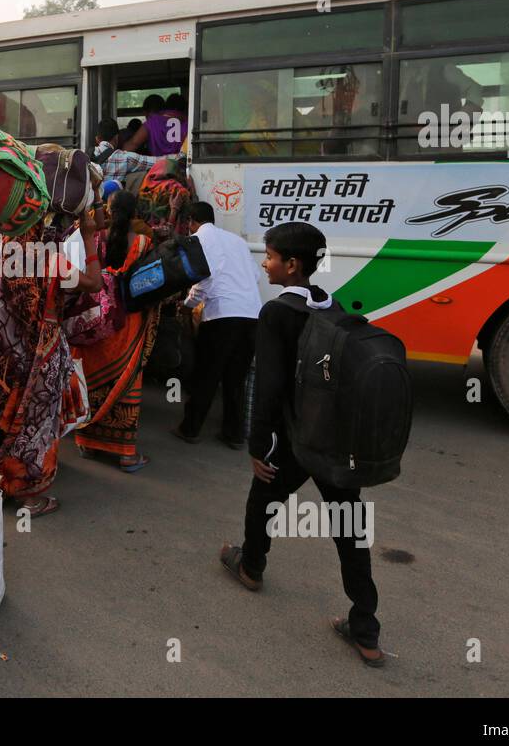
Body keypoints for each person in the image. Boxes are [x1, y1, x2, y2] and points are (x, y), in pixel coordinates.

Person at [219, 221, 383, 667]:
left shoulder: (276, 313)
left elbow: (269, 386)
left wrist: (258, 445)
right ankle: (365, 629)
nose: (265, 263)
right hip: (333, 440)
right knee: (349, 528)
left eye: (270, 256)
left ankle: (251, 566)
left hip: (295, 439)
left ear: (291, 265)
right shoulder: (334, 307)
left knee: (262, 500)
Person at [0, 210, 103, 517]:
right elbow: (94, 283)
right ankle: (29, 497)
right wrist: (88, 237)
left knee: (0, 416)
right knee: (34, 425)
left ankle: (0, 483)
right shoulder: (50, 260)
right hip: (40, 356)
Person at [73, 190, 159, 471]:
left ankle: (87, 443)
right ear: (135, 212)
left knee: (91, 379)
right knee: (125, 384)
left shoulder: (93, 239)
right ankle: (125, 454)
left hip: (95, 320)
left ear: (108, 210)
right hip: (128, 323)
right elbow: (151, 284)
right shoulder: (144, 242)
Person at [171, 201, 263, 449]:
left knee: (207, 375)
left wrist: (188, 305)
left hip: (223, 317)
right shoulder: (237, 241)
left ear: (191, 221)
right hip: (252, 315)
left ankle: (190, 429)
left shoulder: (199, 240)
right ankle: (233, 435)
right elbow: (255, 275)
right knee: (235, 379)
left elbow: (205, 278)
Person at [120, 93, 186, 157]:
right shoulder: (188, 124)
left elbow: (132, 144)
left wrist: (117, 158)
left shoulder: (153, 122)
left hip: (157, 166)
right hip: (182, 166)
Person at [95, 116, 154, 184]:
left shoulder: (86, 156)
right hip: (115, 194)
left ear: (97, 139)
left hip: (93, 194)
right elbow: (156, 162)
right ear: (116, 138)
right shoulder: (126, 158)